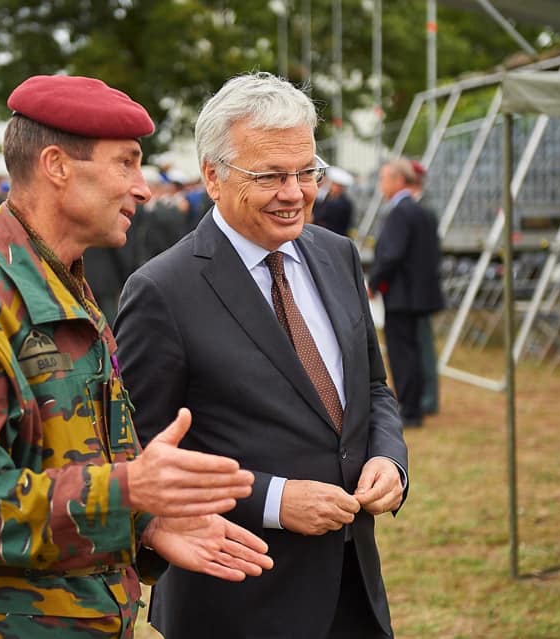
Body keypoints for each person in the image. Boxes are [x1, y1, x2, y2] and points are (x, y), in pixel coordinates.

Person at [0, 74, 273, 639]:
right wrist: (130, 489)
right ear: (58, 166)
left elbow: (72, 464)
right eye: (125, 163)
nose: (141, 188)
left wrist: (147, 520)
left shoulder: (63, 291)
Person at [115, 72, 408, 639]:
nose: (295, 192)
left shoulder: (337, 255)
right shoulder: (162, 290)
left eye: (306, 172)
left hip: (353, 588)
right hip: (236, 599)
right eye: (271, 175)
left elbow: (373, 387)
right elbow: (144, 454)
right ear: (212, 176)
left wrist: (389, 459)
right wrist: (274, 500)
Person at [368, 158, 445, 428]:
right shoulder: (422, 211)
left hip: (402, 296)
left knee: (403, 354)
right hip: (418, 294)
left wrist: (373, 283)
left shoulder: (400, 211)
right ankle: (415, 405)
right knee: (413, 351)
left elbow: (392, 254)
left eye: (384, 179)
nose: (381, 185)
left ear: (399, 180)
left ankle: (410, 410)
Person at [408, 159, 440, 416]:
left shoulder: (424, 209)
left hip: (419, 293)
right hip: (415, 292)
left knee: (424, 346)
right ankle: (424, 395)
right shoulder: (421, 208)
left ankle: (429, 398)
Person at [313, 165, 355, 237]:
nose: (331, 187)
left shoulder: (342, 203)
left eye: (334, 184)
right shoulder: (330, 197)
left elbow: (319, 216)